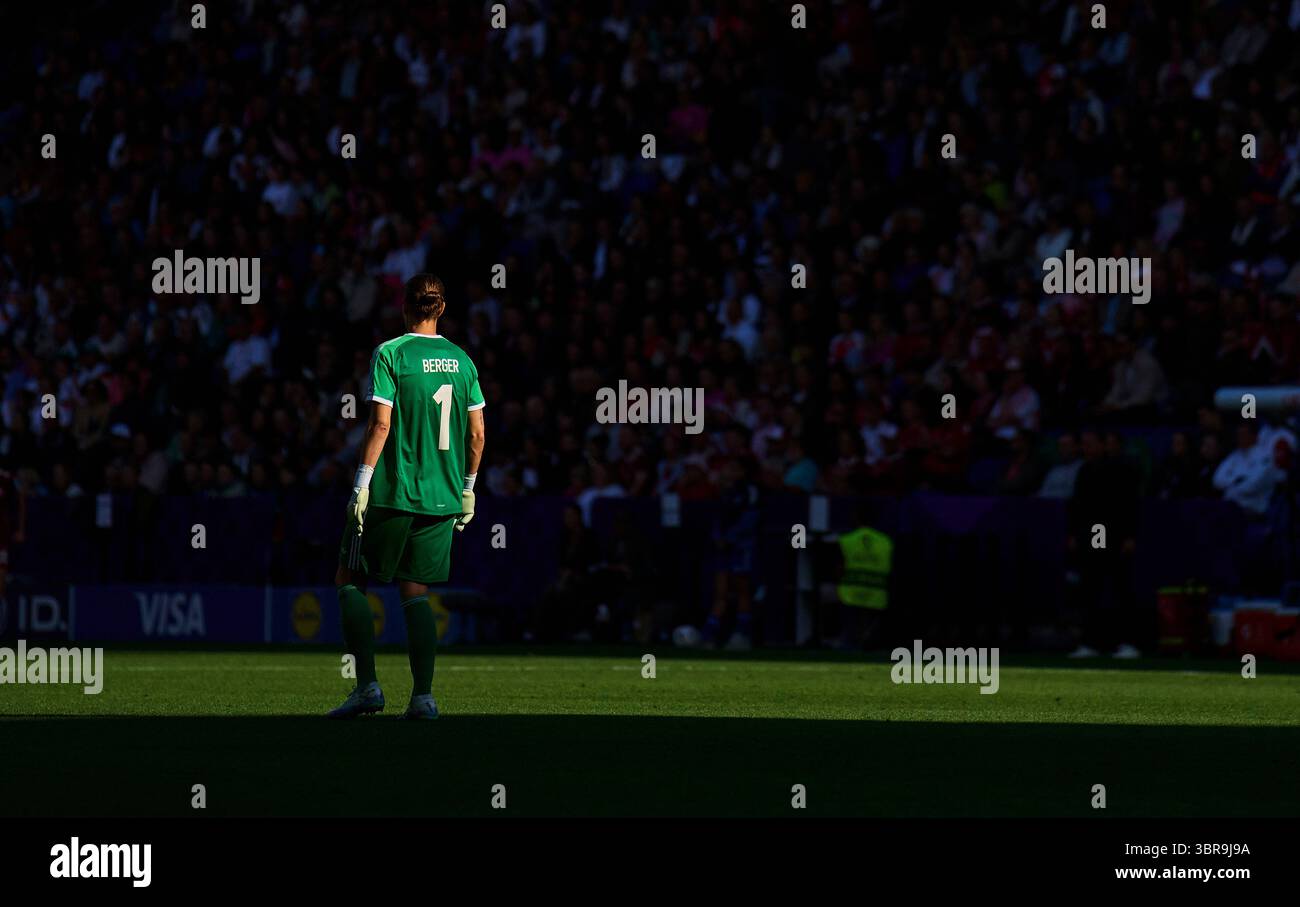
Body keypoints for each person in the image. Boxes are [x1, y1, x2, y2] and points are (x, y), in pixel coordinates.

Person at [328, 274, 486, 720]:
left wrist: (361, 482)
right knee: (415, 592)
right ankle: (423, 698)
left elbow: (380, 424)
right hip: (442, 497)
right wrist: (468, 489)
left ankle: (367, 689)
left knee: (349, 579)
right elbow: (477, 434)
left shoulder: (391, 353)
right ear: (441, 308)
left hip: (393, 492)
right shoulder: (462, 360)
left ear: (404, 305)